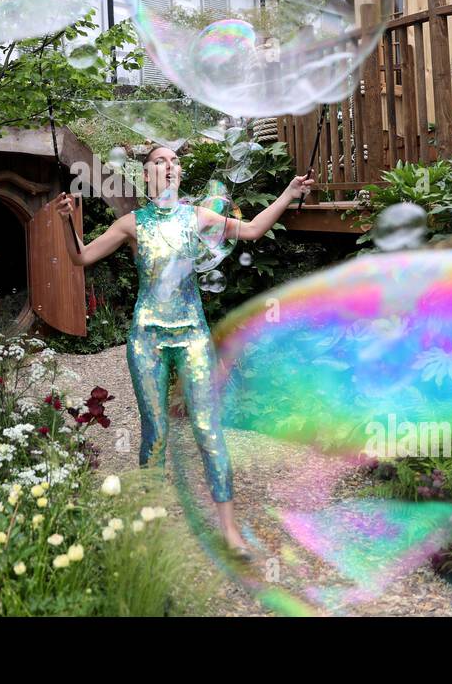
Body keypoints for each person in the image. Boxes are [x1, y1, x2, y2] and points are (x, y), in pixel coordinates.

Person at [55, 144, 314, 557]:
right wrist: (68, 222)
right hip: (147, 339)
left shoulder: (197, 218)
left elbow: (250, 231)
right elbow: (81, 257)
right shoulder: (131, 224)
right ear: (146, 175)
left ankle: (229, 531)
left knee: (208, 428)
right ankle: (151, 527)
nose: (170, 165)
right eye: (161, 161)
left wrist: (287, 193)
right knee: (154, 432)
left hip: (192, 333)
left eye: (175, 161)